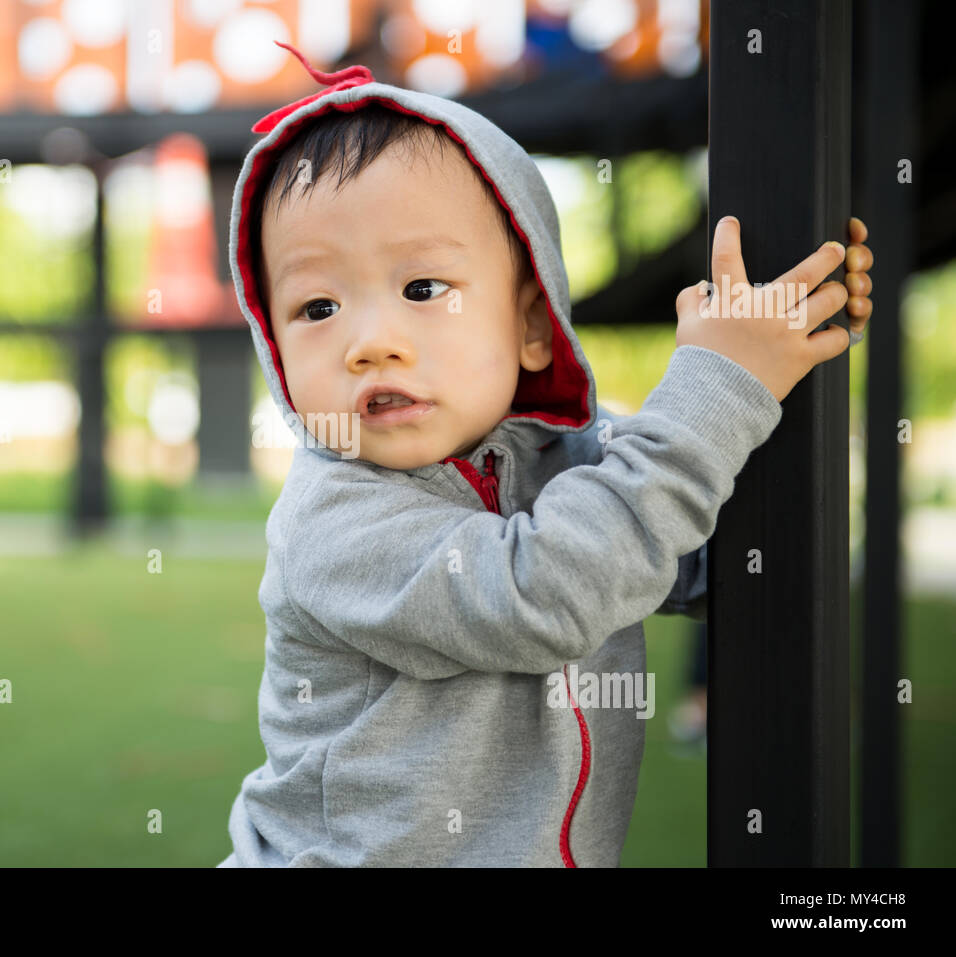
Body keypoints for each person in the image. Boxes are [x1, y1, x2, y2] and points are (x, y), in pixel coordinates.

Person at [218, 42, 873, 866]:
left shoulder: (559, 460)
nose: (369, 343)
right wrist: (719, 387)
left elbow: (681, 550)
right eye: (317, 306)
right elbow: (545, 592)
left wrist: (780, 346)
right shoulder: (335, 518)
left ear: (532, 324)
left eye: (423, 289)